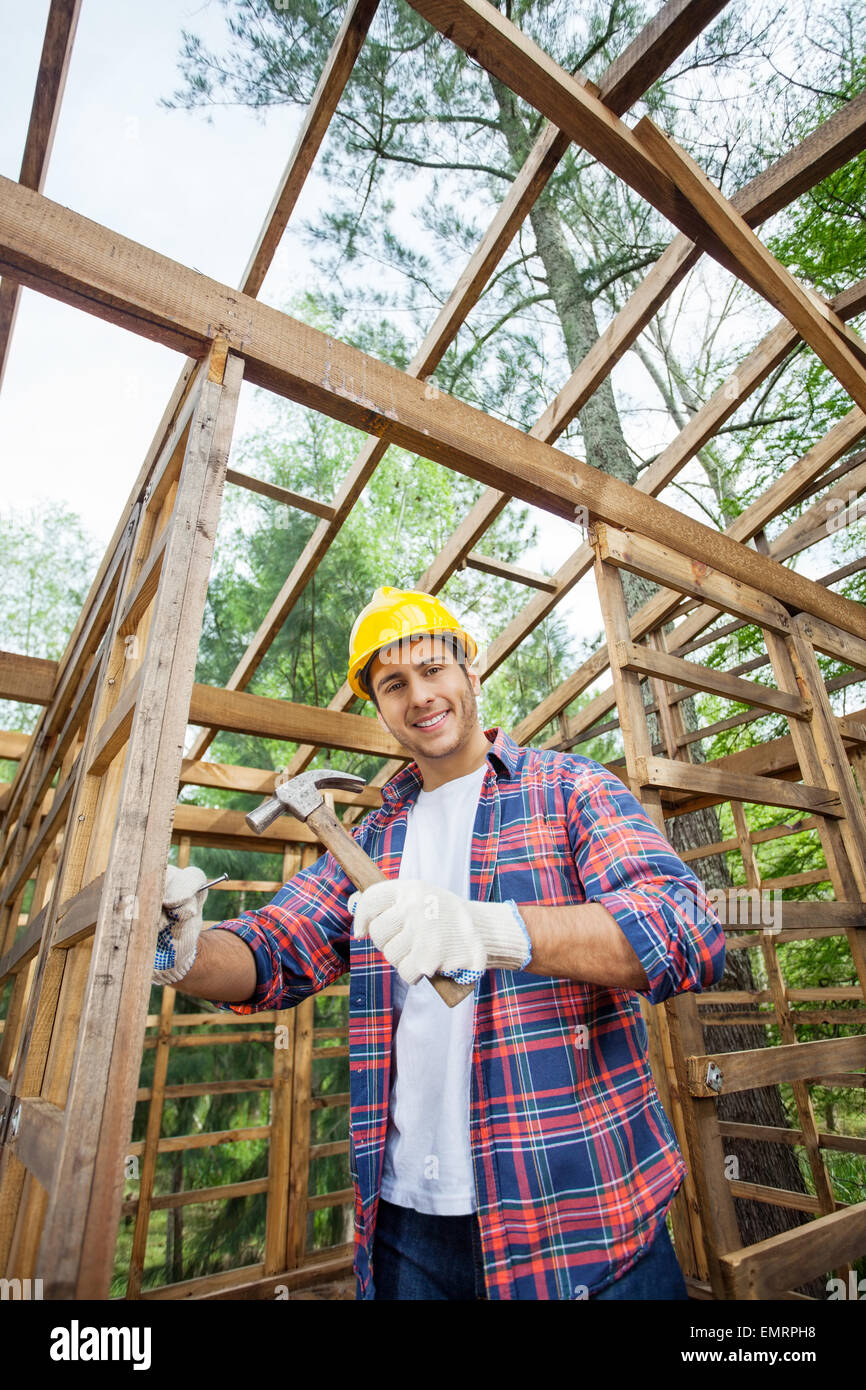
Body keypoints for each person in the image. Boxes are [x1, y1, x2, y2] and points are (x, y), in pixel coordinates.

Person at [156, 586, 724, 1300]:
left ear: (470, 673)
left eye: (433, 669)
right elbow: (272, 952)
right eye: (394, 684)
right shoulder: (371, 838)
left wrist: (493, 930)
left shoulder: (570, 789)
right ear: (380, 706)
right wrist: (177, 948)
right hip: (406, 1234)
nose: (419, 695)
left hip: (584, 1223)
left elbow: (686, 928)